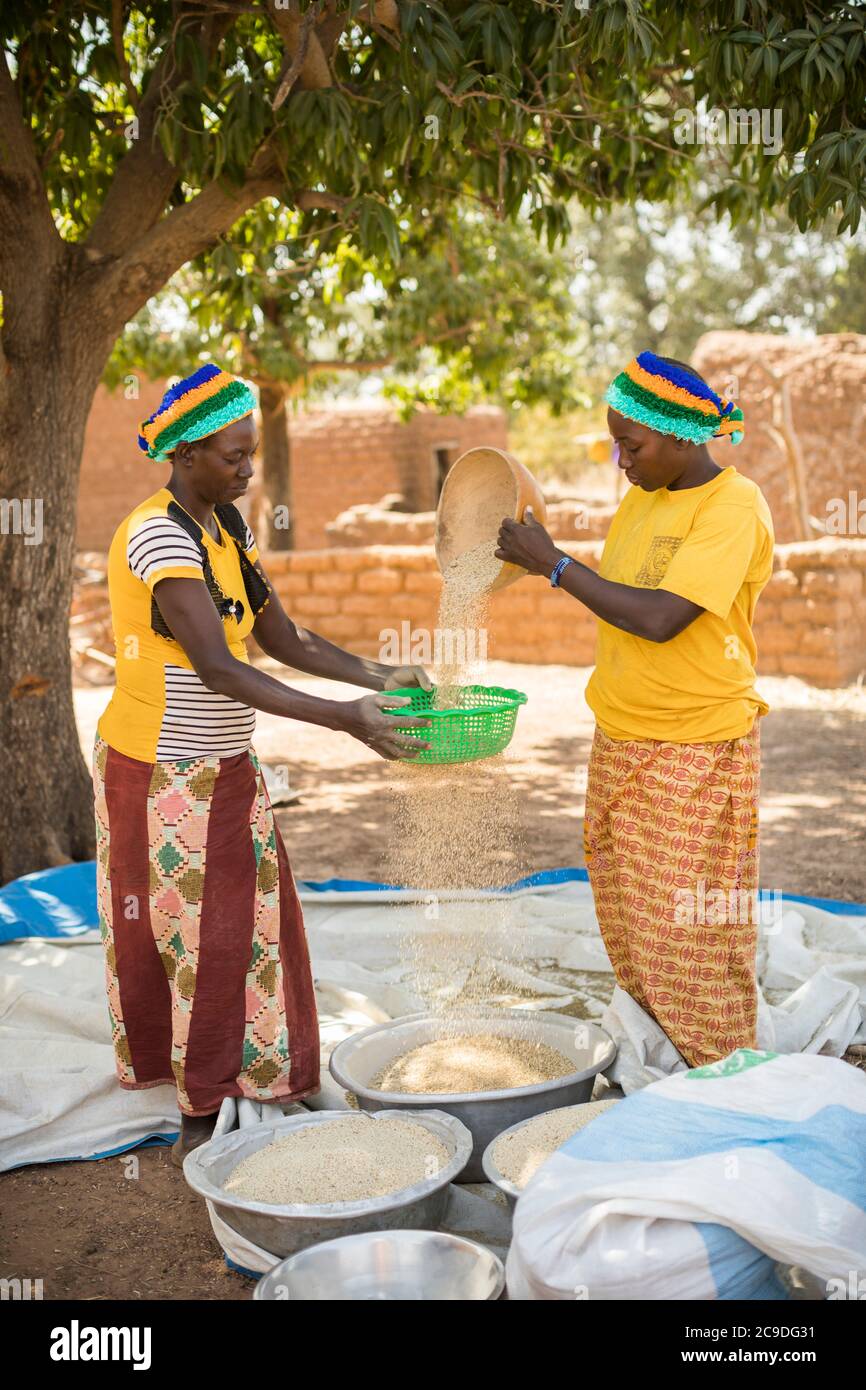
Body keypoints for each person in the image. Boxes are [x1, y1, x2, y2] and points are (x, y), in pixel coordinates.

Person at [94, 364, 430, 1163]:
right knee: (194, 938)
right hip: (165, 770)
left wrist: (381, 677)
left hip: (225, 764)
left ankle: (251, 1070)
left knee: (249, 928)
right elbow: (218, 666)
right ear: (183, 455)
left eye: (251, 455)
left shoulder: (223, 530)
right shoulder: (159, 535)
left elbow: (280, 639)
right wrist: (346, 720)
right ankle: (199, 1107)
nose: (249, 469)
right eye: (233, 456)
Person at [495, 351, 774, 1067]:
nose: (620, 460)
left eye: (633, 444)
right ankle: (666, 1056)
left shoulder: (731, 506)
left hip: (693, 747)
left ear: (683, 436)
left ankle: (724, 1073)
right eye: (615, 442)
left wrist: (556, 566)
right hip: (621, 736)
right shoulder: (646, 496)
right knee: (632, 920)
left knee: (690, 933)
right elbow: (623, 594)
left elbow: (659, 618)